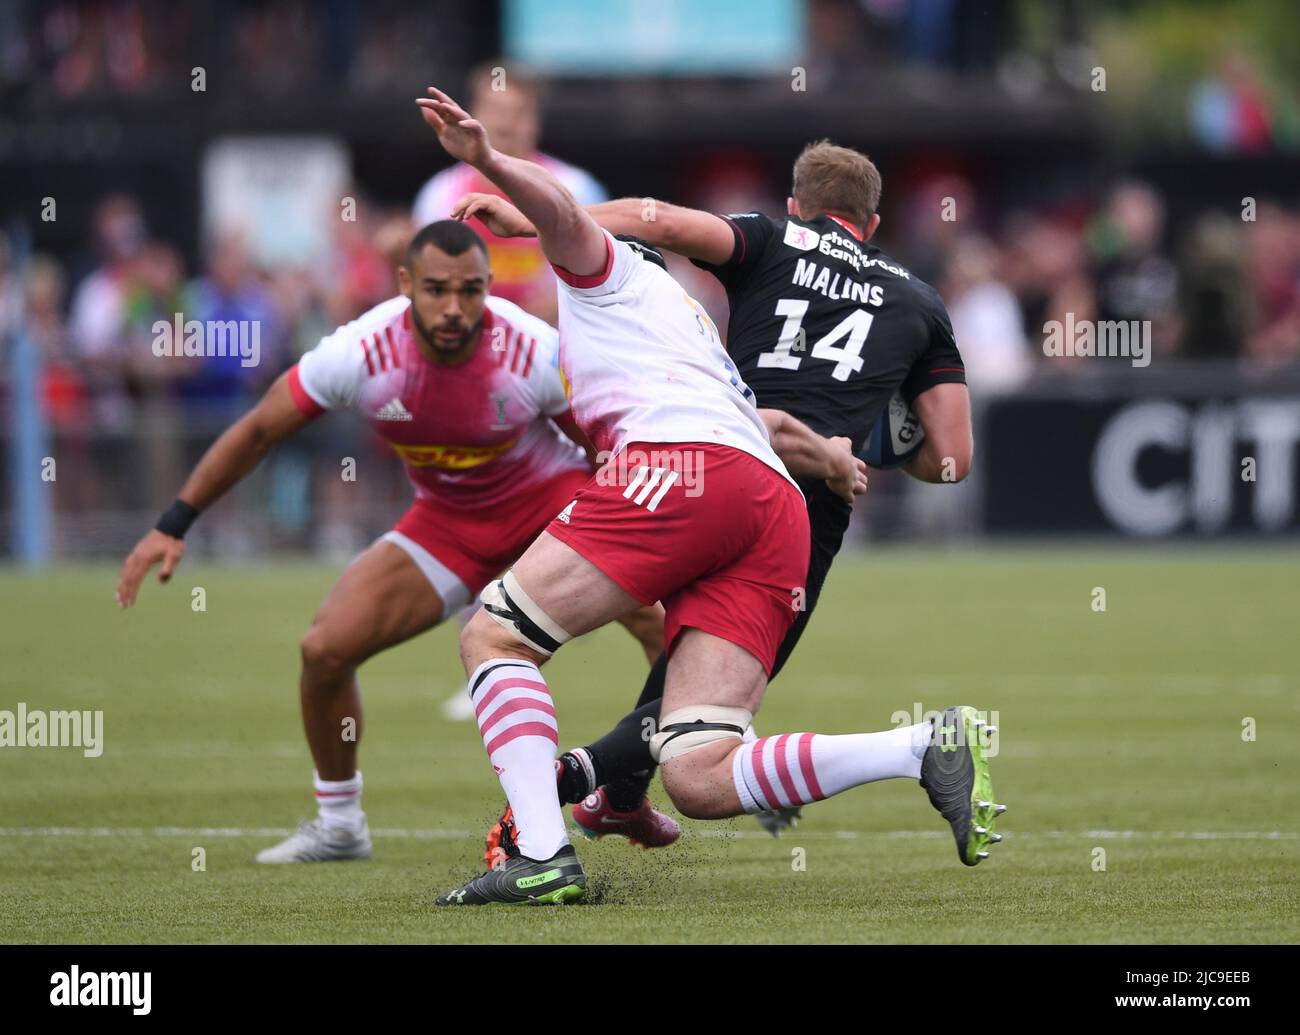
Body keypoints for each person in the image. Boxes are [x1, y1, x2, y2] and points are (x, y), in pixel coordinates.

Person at [416, 87, 1001, 906]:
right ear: (870, 221)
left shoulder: (615, 270)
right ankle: (917, 747)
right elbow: (939, 455)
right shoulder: (704, 328)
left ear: (798, 207)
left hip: (688, 472)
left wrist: (493, 169)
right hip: (782, 509)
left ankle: (545, 850)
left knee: (494, 636)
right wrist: (839, 458)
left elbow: (611, 218)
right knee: (697, 765)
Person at [115, 220, 665, 863]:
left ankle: (626, 792)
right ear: (405, 285)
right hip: (448, 523)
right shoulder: (363, 351)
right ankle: (340, 823)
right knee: (324, 649)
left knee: (661, 625)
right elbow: (261, 428)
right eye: (436, 290)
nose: (455, 308)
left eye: (470, 291)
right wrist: (172, 524)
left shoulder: (532, 352)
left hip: (548, 511)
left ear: (490, 287)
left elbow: (611, 443)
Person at [412, 59, 607, 722]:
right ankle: (495, 654)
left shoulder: (573, 184)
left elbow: (594, 277)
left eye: (515, 113)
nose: (503, 123)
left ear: (533, 117)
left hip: (563, 375)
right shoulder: (441, 192)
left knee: (583, 507)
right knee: (485, 507)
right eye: (491, 112)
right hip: (478, 384)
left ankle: (665, 666)